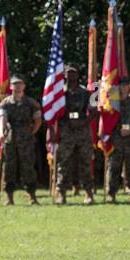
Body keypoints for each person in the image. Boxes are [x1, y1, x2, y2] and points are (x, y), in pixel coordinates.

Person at [0, 75, 42, 205]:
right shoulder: (5, 103)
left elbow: (38, 120)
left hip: (26, 140)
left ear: (24, 86)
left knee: (28, 167)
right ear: (11, 86)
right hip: (10, 139)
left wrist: (31, 132)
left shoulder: (31, 102)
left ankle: (32, 196)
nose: (17, 86)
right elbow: (3, 119)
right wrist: (1, 132)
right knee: (9, 168)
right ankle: (9, 197)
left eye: (20, 84)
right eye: (15, 84)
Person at [55, 65, 95, 205]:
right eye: (68, 73)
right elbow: (53, 112)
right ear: (64, 75)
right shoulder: (59, 93)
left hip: (83, 132)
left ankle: (88, 193)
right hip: (66, 131)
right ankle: (61, 193)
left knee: (85, 162)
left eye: (74, 73)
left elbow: (94, 111)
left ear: (78, 75)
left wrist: (83, 122)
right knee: (64, 163)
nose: (71, 76)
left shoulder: (86, 93)